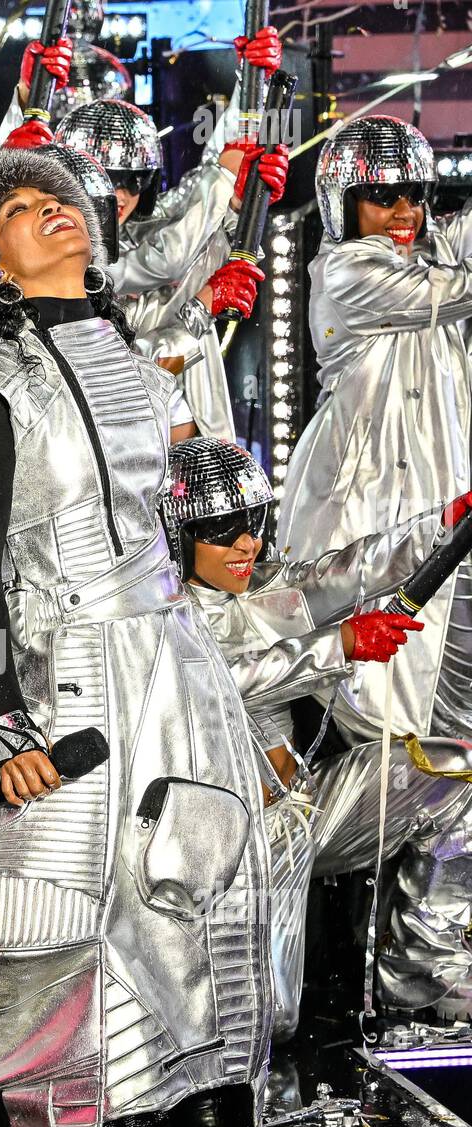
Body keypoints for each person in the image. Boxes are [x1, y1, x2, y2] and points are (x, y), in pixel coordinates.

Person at [0, 147, 275, 1127]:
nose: (56, 216)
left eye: (61, 203)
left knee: (199, 869)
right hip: (65, 666)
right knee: (47, 904)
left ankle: (202, 1109)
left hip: (168, 651)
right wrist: (1, 715)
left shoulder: (123, 348)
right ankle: (22, 1125)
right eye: (25, 212)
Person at [162, 437, 472, 1035]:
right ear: (179, 533)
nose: (246, 543)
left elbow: (346, 572)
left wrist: (442, 525)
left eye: (253, 522)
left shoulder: (259, 587)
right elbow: (218, 685)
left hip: (304, 808)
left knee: (455, 774)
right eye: (224, 528)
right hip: (228, 845)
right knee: (269, 1022)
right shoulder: (156, 618)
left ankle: (420, 973)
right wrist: (340, 646)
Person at [276, 117, 472, 1013]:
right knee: (370, 751)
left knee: (443, 756)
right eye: (380, 198)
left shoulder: (429, 258)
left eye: (413, 197)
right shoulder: (347, 274)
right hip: (353, 540)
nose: (400, 212)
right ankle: (324, 986)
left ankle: (422, 972)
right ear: (342, 207)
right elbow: (452, 285)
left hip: (445, 526)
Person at [52, 25, 287, 439]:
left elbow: (208, 179)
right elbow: (164, 265)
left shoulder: (157, 224)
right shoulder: (61, 265)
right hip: (122, 461)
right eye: (105, 181)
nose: (119, 195)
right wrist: (202, 306)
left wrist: (254, 80)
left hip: (202, 457)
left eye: (132, 181)